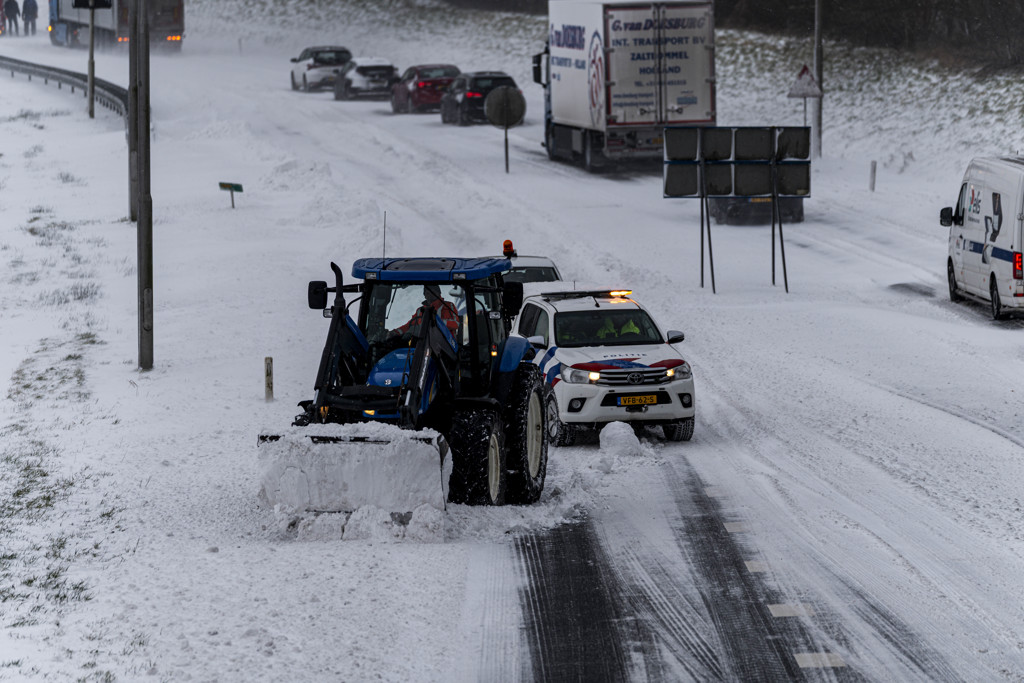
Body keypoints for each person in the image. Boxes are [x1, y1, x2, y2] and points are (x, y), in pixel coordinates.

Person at [388, 285, 459, 339]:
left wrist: (437, 322)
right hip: (423, 345)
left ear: (439, 293)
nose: (429, 295)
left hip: (447, 344)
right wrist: (395, 332)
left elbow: (456, 324)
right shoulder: (421, 311)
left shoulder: (448, 306)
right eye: (427, 293)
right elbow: (408, 325)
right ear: (424, 295)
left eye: (432, 292)